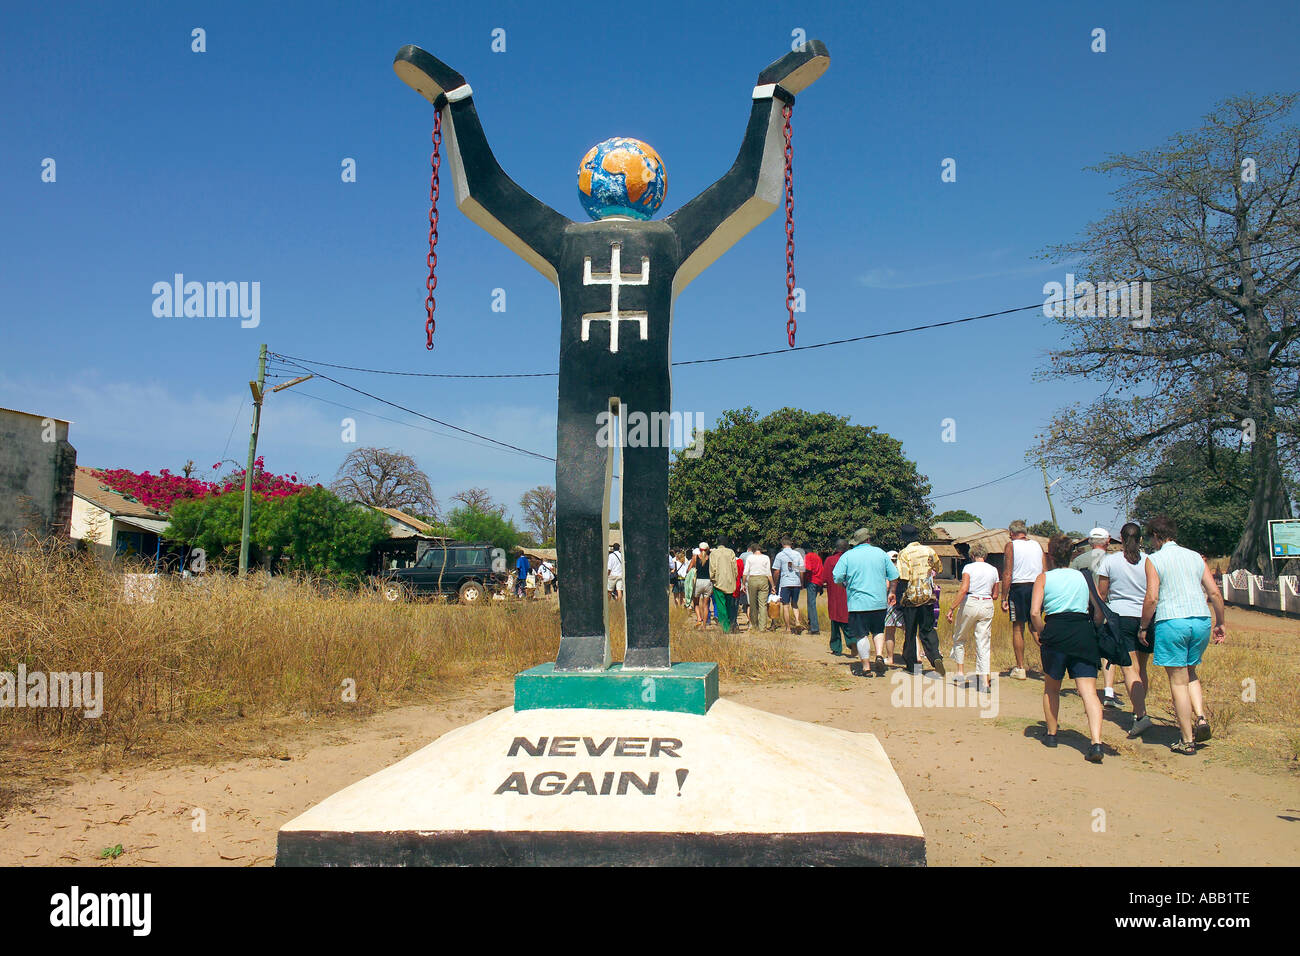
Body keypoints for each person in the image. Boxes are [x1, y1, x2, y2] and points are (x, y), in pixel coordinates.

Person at [1140, 516, 1228, 756]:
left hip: (1172, 620)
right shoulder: (1195, 557)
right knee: (1191, 671)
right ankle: (1200, 717)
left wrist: (1143, 626)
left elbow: (1152, 598)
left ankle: (1187, 739)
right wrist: (1220, 622)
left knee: (1177, 681)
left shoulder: (1154, 559)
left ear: (1156, 536)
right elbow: (1214, 593)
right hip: (1200, 619)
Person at [1029, 534, 1105, 762]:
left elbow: (1034, 612)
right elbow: (1099, 610)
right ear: (1072, 555)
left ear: (1050, 556)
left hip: (1056, 630)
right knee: (1088, 691)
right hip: (1082, 630)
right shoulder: (1084, 577)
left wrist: (1043, 632)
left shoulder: (1043, 578)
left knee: (1052, 686)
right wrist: (1095, 629)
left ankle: (1052, 735)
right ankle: (1096, 742)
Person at [1097, 522, 1152, 738]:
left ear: (1121, 537)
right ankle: (1138, 708)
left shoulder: (1110, 561)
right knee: (1142, 669)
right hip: (1145, 617)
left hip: (1121, 617)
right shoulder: (1149, 561)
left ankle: (1140, 715)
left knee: (1130, 669)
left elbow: (1102, 594)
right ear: (1140, 539)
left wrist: (1098, 619)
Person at [832, 528, 899, 677]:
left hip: (857, 603)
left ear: (856, 542)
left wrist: (844, 584)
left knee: (861, 635)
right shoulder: (881, 553)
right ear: (868, 540)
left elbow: (836, 577)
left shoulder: (848, 556)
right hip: (878, 602)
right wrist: (892, 591)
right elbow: (894, 575)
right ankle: (880, 655)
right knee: (878, 631)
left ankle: (866, 667)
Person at [1073, 528, 1123, 708]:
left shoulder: (1079, 561)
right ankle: (1108, 691)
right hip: (1108, 608)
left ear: (1090, 542)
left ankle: (1085, 686)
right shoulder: (1113, 560)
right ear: (1107, 541)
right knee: (1108, 648)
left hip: (1085, 608)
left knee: (1087, 646)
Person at [946, 544, 1000, 693]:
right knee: (983, 643)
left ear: (972, 555)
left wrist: (952, 607)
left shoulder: (969, 568)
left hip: (971, 601)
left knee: (959, 637)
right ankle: (984, 681)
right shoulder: (993, 570)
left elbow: (964, 589)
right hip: (987, 603)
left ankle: (960, 671)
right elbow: (995, 594)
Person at [894, 525, 945, 675]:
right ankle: (935, 656)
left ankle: (912, 665)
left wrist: (898, 598)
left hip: (911, 598)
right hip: (928, 596)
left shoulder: (904, 554)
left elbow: (903, 577)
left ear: (904, 538)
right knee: (927, 629)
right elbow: (939, 568)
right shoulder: (929, 550)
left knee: (910, 632)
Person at [1000, 519, 1044, 680]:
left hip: (1019, 588)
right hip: (1038, 586)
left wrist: (1003, 597)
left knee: (1018, 628)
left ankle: (1020, 668)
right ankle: (1049, 663)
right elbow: (1044, 570)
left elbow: (1007, 572)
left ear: (1011, 533)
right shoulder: (1037, 545)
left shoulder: (1011, 546)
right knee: (1036, 626)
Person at [821, 539, 851, 655]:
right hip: (847, 594)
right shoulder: (849, 559)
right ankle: (851, 641)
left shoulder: (830, 560)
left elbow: (824, 578)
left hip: (833, 594)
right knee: (847, 619)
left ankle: (836, 647)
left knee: (834, 621)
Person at [772, 536, 805, 634]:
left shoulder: (780, 555)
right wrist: (802, 582)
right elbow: (802, 570)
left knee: (785, 605)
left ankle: (788, 628)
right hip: (796, 582)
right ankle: (798, 621)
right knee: (795, 604)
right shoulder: (797, 554)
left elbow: (777, 571)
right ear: (791, 544)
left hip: (785, 582)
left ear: (782, 544)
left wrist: (774, 583)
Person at [710, 536, 739, 633]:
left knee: (721, 606)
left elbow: (712, 569)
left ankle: (726, 628)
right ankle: (731, 625)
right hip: (730, 583)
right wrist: (734, 578)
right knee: (729, 605)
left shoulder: (714, 553)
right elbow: (735, 568)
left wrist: (713, 579)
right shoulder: (731, 552)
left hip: (718, 583)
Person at [742, 543, 772, 634]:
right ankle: (762, 627)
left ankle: (754, 625)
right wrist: (773, 585)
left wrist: (743, 584)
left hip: (753, 579)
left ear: (752, 550)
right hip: (763, 579)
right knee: (763, 604)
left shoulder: (750, 558)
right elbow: (769, 573)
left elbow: (745, 572)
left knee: (753, 604)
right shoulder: (766, 558)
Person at [687, 542, 714, 628]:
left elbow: (688, 569)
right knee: (706, 605)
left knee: (696, 603)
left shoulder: (695, 557)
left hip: (698, 581)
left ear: (699, 549)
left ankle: (699, 618)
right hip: (708, 582)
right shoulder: (710, 558)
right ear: (708, 549)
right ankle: (704, 625)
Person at [882, 550, 902, 664]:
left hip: (891, 603)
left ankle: (890, 658)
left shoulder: (889, 571)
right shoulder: (903, 569)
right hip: (904, 603)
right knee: (909, 631)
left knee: (889, 631)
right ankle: (917, 656)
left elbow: (887, 586)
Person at [802, 545, 823, 636]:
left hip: (812, 581)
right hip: (818, 581)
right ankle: (812, 626)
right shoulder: (817, 556)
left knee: (811, 605)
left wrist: (796, 567)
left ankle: (814, 628)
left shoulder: (808, 556)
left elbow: (808, 568)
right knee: (812, 603)